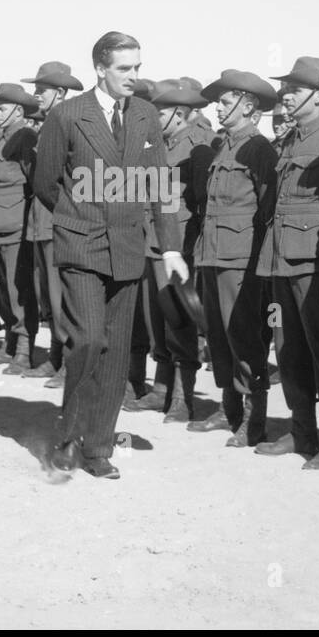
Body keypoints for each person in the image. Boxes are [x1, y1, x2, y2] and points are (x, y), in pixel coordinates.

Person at [33, 31, 185, 479]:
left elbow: (160, 186)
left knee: (117, 351)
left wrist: (171, 246)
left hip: (128, 248)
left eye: (137, 68)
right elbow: (45, 183)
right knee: (88, 339)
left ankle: (98, 447)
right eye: (124, 68)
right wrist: (75, 214)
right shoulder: (66, 116)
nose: (133, 77)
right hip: (81, 244)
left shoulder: (145, 116)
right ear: (100, 68)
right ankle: (68, 431)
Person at [254, 57, 319, 467]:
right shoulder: (290, 141)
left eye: (295, 89)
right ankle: (302, 432)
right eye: (286, 88)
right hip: (279, 261)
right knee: (288, 349)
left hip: (313, 265)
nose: (286, 94)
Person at [187, 69, 279, 445]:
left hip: (240, 258)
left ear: (248, 105)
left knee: (244, 336)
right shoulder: (224, 145)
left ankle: (254, 419)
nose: (219, 108)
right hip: (212, 254)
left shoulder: (259, 148)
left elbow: (267, 208)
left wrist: (258, 262)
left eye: (226, 102)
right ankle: (230, 408)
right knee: (219, 337)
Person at [123, 83, 215, 422]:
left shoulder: (199, 147)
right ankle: (161, 389)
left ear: (180, 113)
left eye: (159, 113)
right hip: (151, 240)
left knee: (179, 320)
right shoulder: (159, 146)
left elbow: (203, 203)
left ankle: (182, 396)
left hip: (178, 245)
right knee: (155, 319)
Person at [20, 62, 84, 379]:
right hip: (40, 221)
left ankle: (70, 362)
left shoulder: (71, 123)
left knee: (63, 296)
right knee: (47, 294)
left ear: (59, 92)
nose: (36, 96)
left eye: (41, 90)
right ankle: (56, 356)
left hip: (59, 222)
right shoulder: (49, 124)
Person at [0, 83, 41, 370]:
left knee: (20, 291)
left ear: (17, 110)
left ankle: (24, 350)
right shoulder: (3, 139)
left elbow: (35, 182)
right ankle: (10, 345)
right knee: (4, 290)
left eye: (2, 108)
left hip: (17, 224)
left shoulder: (25, 137)